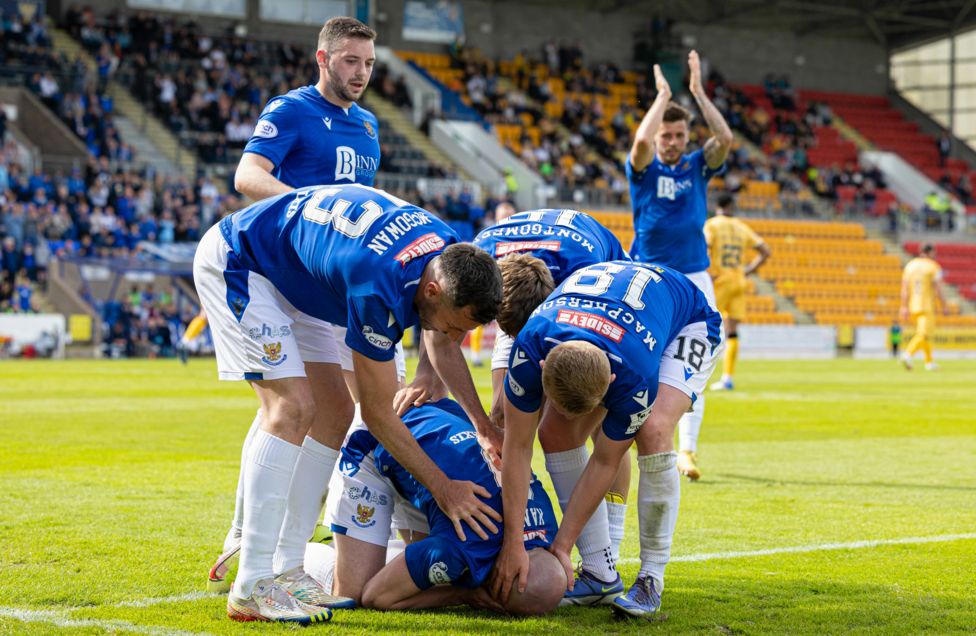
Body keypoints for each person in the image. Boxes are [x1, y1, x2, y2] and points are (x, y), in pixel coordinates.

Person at [194, 183, 503, 623]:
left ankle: (288, 569)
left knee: (337, 412)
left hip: (294, 276)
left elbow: (440, 340)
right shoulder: (378, 285)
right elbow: (378, 414)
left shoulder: (450, 253)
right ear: (433, 291)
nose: (454, 338)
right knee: (291, 408)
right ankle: (251, 581)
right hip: (242, 260)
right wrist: (444, 488)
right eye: (455, 326)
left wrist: (483, 427)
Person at [206, 16, 392, 599]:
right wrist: (310, 210)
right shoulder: (291, 110)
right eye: (350, 61)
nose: (360, 73)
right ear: (323, 58)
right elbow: (247, 176)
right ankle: (245, 538)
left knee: (331, 410)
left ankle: (286, 554)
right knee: (288, 405)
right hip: (271, 273)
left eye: (368, 63)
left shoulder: (368, 126)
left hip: (320, 287)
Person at [398, 208, 633, 598]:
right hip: (525, 289)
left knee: (585, 424)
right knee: (503, 419)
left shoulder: (584, 268)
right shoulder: (477, 264)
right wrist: (437, 385)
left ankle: (603, 558)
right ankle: (506, 534)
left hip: (594, 307)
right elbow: (441, 326)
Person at [491, 261, 722, 620]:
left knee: (654, 429)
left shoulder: (635, 376)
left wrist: (562, 546)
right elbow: (517, 447)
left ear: (611, 381)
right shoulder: (529, 346)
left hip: (686, 318)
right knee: (553, 431)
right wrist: (513, 541)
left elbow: (605, 460)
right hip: (613, 317)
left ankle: (651, 578)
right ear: (542, 367)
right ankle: (600, 574)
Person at [324, 398, 565, 616]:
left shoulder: (549, 530)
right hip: (380, 436)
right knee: (353, 594)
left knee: (427, 575)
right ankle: (312, 556)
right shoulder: (462, 547)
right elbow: (375, 596)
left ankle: (369, 549)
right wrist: (463, 595)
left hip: (437, 425)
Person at [625, 51, 732, 482]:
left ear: (687, 136)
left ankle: (686, 449)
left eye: (678, 135)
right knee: (641, 359)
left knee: (694, 361)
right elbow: (639, 145)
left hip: (694, 277)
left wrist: (699, 93)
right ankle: (636, 434)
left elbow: (724, 138)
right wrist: (662, 97)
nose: (671, 141)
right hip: (649, 276)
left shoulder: (697, 166)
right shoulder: (643, 171)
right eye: (666, 135)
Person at [705, 193, 771, 395]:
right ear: (731, 206)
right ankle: (727, 378)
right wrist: (748, 271)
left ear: (717, 206)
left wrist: (707, 272)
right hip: (739, 281)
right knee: (732, 330)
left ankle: (697, 375)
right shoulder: (742, 227)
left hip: (720, 281)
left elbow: (704, 247)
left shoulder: (712, 225)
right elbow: (765, 251)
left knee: (704, 326)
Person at [900, 243, 947, 371]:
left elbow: (904, 289)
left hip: (913, 305)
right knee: (923, 334)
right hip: (926, 306)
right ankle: (907, 354)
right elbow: (938, 289)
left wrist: (903, 307)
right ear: (930, 252)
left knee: (926, 335)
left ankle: (929, 362)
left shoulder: (910, 266)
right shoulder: (933, 266)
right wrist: (944, 305)